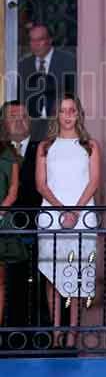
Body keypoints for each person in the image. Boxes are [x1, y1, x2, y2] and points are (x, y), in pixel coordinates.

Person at [36, 94, 100, 347]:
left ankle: (73, 331)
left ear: (78, 114)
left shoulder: (90, 145)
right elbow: (41, 184)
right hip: (52, 216)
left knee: (77, 275)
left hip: (83, 217)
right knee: (52, 275)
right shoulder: (45, 146)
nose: (68, 115)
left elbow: (94, 181)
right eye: (63, 111)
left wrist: (75, 211)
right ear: (57, 115)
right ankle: (55, 331)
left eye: (72, 110)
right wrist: (63, 210)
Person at [1, 100, 43, 328]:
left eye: (24, 116)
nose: (20, 120)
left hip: (38, 232)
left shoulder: (44, 148)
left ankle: (40, 339)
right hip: (5, 232)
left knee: (38, 289)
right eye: (13, 116)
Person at [17, 24, 77, 140]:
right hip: (31, 130)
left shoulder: (68, 61)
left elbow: (73, 93)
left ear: (50, 40)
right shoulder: (23, 65)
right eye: (32, 40)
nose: (35, 44)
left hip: (60, 127)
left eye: (40, 39)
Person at [0, 128, 22, 326]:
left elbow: (13, 190)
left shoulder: (9, 155)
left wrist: (0, 211)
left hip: (1, 220)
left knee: (0, 283)